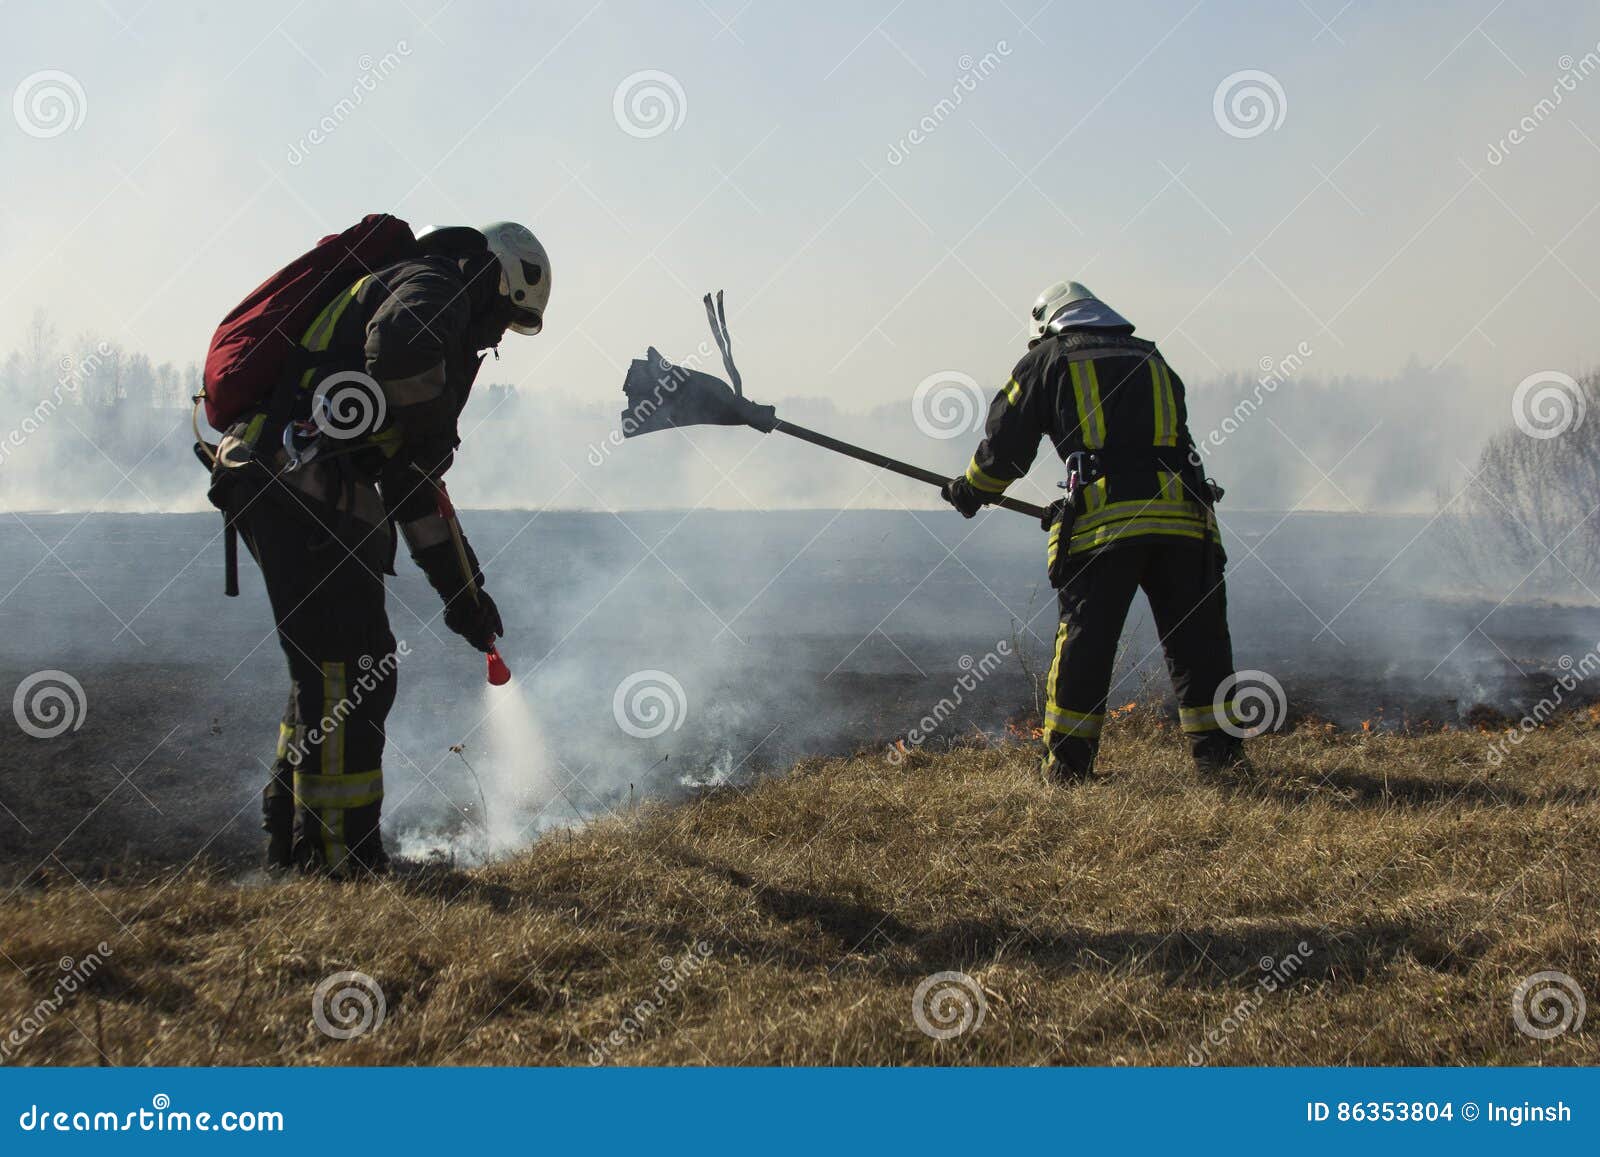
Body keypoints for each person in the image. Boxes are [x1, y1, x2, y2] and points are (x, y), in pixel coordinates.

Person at [206, 221, 551, 875]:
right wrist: (427, 430)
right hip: (296, 481)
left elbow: (414, 490)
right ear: (499, 278)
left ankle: (293, 844)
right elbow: (396, 353)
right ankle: (341, 865)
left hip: (292, 483)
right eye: (502, 322)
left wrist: (465, 596)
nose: (493, 338)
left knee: (334, 669)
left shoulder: (423, 291)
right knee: (348, 670)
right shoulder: (438, 281)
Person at [941, 280, 1244, 783]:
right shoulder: (1152, 357)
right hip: (1187, 525)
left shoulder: (1049, 359)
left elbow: (1007, 445)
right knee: (1200, 645)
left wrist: (971, 490)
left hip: (1107, 530)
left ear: (1050, 323)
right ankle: (1222, 764)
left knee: (1086, 646)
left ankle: (1066, 772)